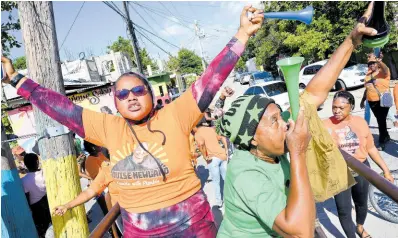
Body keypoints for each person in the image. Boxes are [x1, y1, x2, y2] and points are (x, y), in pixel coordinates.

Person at [2, 5, 264, 237]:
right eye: (123, 94)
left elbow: (211, 78)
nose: (131, 97)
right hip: (138, 230)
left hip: (192, 226)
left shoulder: (176, 114)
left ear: (150, 94)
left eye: (139, 90)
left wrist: (242, 34)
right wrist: (17, 79)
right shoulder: (108, 127)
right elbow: (61, 108)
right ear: (116, 102)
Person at [216, 3, 380, 237]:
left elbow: (314, 93)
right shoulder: (245, 174)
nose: (285, 123)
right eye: (275, 121)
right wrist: (298, 152)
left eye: (280, 116)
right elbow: (300, 232)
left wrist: (352, 40)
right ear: (253, 139)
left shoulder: (268, 146)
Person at [323, 91, 394, 238]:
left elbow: (371, 148)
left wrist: (385, 170)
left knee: (361, 204)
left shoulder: (360, 123)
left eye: (341, 108)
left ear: (352, 107)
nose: (336, 111)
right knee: (344, 209)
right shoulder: (325, 125)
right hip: (339, 174)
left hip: (361, 169)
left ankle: (360, 227)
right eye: (334, 107)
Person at [193, 124, 228, 207]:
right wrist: (226, 149)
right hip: (223, 156)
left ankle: (219, 202)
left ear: (195, 126)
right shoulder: (210, 129)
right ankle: (230, 199)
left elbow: (201, 144)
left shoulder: (198, 133)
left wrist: (205, 157)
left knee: (216, 182)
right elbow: (222, 137)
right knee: (226, 179)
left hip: (213, 159)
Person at [362, 52, 391, 150]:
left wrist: (380, 61)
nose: (372, 65)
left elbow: (385, 69)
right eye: (370, 64)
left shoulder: (382, 72)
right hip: (371, 101)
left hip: (383, 100)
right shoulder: (368, 75)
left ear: (377, 64)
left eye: (373, 63)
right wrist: (363, 100)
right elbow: (367, 88)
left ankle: (382, 141)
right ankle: (386, 136)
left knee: (380, 120)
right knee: (381, 120)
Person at [22, 153, 52, 238]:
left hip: (36, 208)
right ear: (37, 162)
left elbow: (27, 198)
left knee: (43, 230)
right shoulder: (45, 173)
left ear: (25, 165)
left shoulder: (23, 180)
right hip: (48, 202)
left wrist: (30, 211)